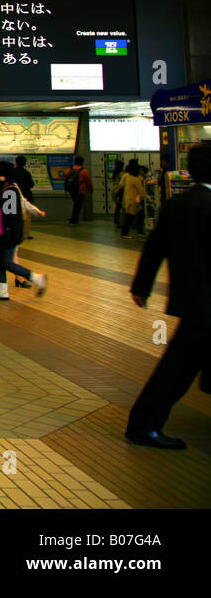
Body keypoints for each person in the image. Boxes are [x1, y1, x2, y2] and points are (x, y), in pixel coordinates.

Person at [125, 146, 211, 450]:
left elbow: (155, 246)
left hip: (192, 301)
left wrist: (141, 287)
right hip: (206, 308)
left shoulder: (177, 204)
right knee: (177, 368)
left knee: (181, 364)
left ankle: (144, 423)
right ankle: (143, 425)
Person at [0, 161, 48, 300]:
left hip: (8, 232)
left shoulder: (10, 190)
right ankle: (2, 289)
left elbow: (9, 212)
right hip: (4, 230)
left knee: (5, 262)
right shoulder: (6, 187)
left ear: (0, 173)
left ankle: (36, 278)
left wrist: (7, 233)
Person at [118, 160, 148, 238]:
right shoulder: (136, 179)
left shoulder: (127, 176)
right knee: (131, 216)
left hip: (129, 198)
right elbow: (142, 191)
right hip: (134, 200)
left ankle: (138, 232)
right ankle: (126, 233)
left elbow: (121, 185)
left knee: (136, 215)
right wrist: (150, 199)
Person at [66, 156, 94, 225]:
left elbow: (66, 179)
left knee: (76, 204)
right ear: (82, 162)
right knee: (77, 205)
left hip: (72, 190)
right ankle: (74, 219)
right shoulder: (84, 171)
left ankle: (74, 219)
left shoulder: (69, 170)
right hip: (80, 190)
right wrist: (91, 189)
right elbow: (88, 181)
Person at [109, 158, 126, 227]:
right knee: (120, 206)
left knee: (118, 206)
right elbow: (122, 184)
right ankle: (120, 221)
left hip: (115, 191)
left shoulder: (115, 172)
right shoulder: (121, 173)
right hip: (120, 191)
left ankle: (117, 220)